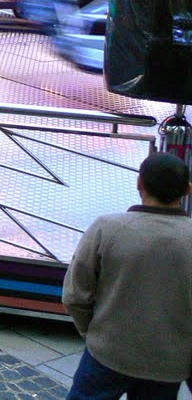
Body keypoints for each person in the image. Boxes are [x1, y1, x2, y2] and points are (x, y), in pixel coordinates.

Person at [62, 152, 192, 399]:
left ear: (139, 183)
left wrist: (93, 332)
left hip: (108, 352)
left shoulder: (107, 228)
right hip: (169, 362)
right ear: (187, 189)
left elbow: (74, 295)